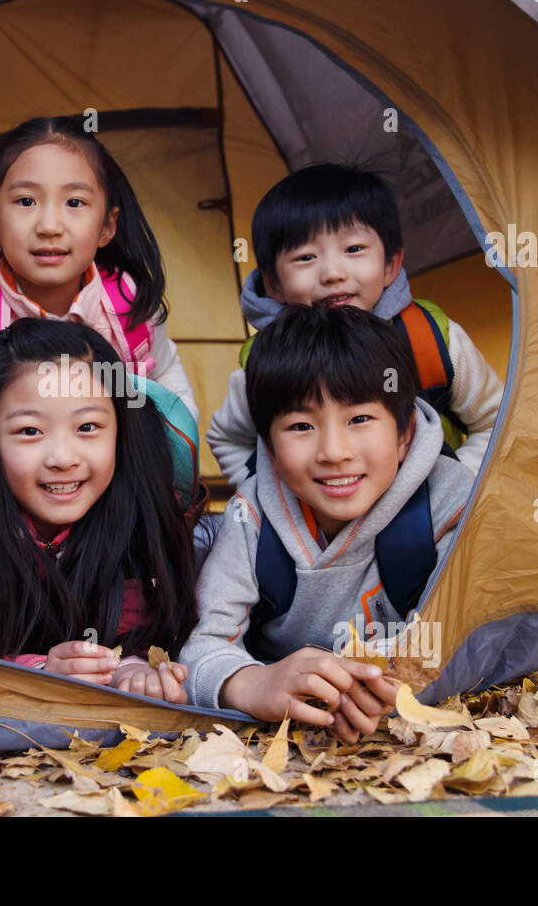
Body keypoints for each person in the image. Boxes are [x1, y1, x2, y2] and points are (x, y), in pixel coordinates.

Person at [182, 303, 475, 740]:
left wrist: (380, 678)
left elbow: (471, 631)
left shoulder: (450, 504)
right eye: (301, 426)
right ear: (269, 445)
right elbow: (202, 646)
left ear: (404, 434)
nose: (333, 451)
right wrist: (250, 683)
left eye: (359, 419)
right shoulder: (252, 519)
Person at [0, 318, 197, 702]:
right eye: (30, 431)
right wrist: (37, 671)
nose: (63, 458)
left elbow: (142, 631)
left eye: (88, 427)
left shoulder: (139, 515)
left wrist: (128, 667)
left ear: (120, 431)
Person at [0, 115, 197, 460]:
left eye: (74, 203)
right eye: (26, 201)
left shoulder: (129, 304)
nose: (49, 225)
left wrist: (175, 474)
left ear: (107, 226)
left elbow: (170, 384)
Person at [206, 163, 502, 486]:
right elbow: (228, 438)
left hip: (432, 527)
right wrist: (264, 499)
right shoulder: (265, 361)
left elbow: (497, 419)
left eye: (354, 249)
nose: (332, 272)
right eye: (306, 257)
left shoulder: (430, 339)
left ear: (390, 265)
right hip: (315, 531)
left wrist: (458, 486)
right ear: (274, 284)